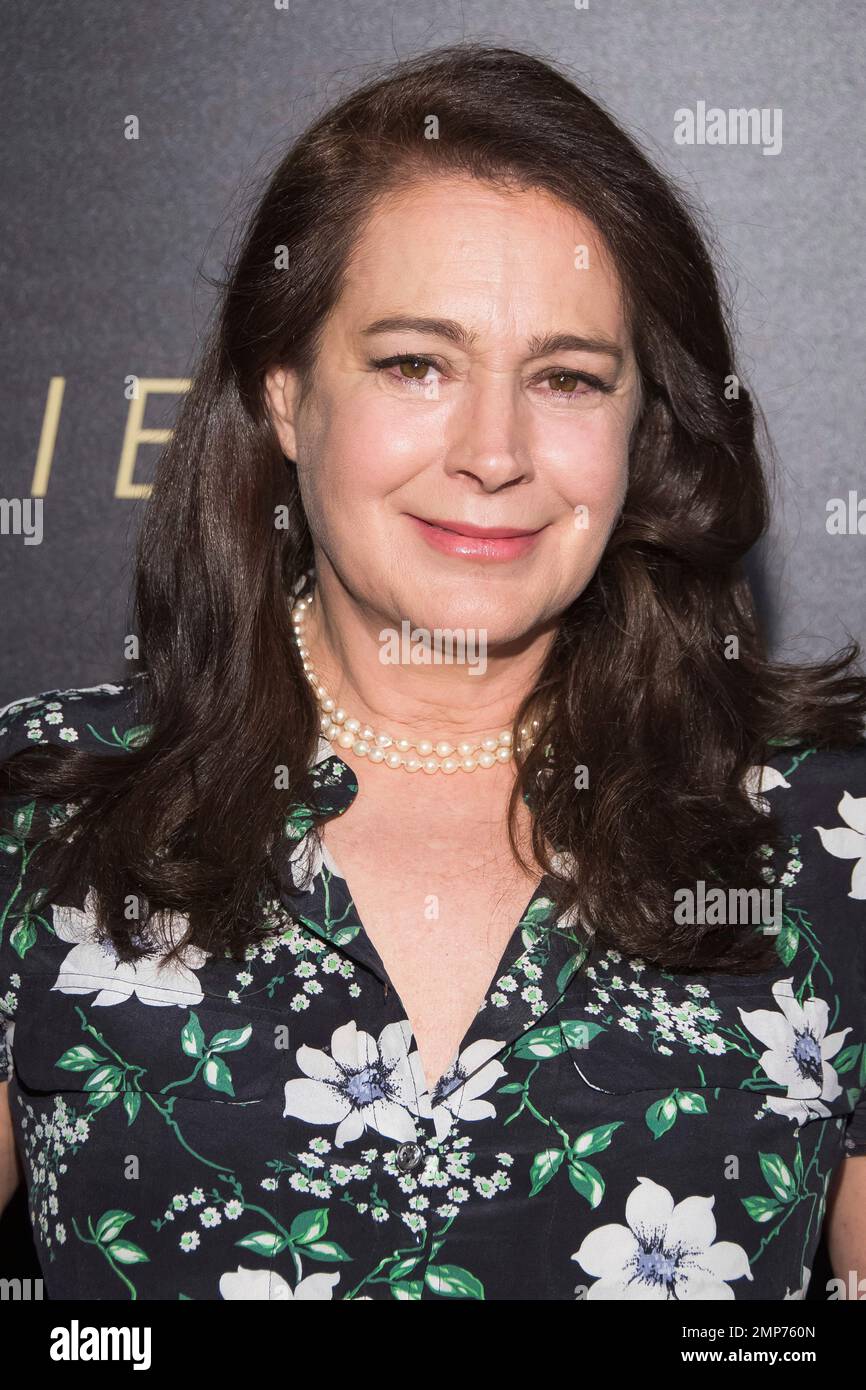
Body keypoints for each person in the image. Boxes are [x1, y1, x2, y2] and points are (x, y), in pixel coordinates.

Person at [1, 42, 865, 1302]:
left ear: (642, 428)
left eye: (566, 378)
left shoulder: (824, 833)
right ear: (286, 393)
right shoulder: (46, 807)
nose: (494, 452)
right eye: (416, 363)